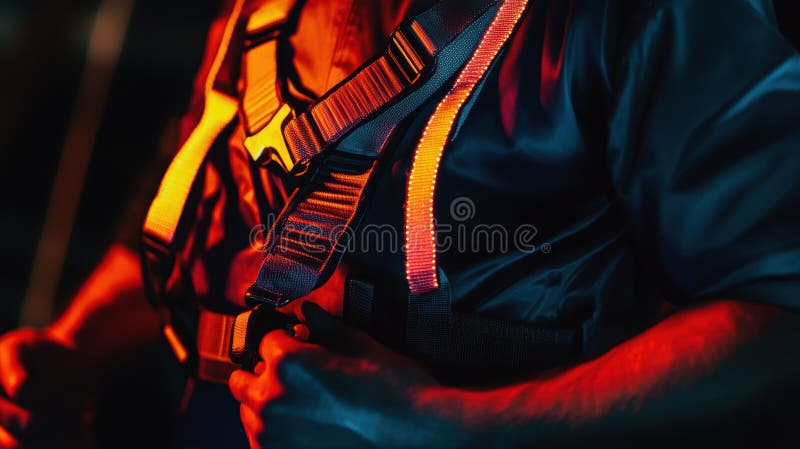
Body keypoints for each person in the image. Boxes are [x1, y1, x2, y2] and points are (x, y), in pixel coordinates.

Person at [2, 0, 800, 448]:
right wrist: (74, 347)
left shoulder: (652, 18)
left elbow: (781, 323)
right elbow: (211, 200)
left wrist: (442, 427)